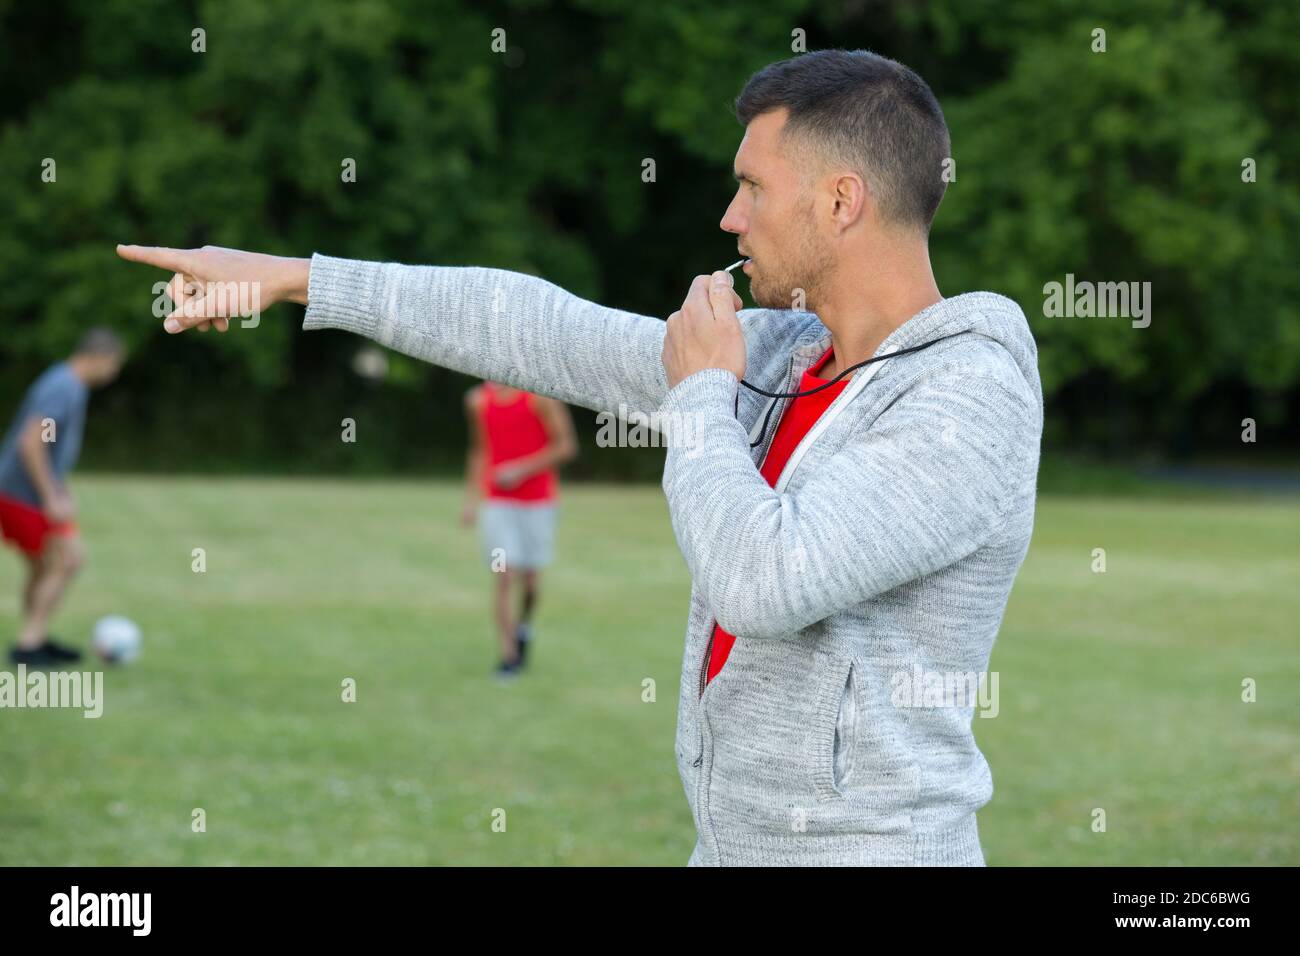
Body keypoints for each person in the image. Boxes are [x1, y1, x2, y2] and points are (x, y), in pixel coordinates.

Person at [116, 48, 1043, 866]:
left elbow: (765, 578)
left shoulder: (969, 396)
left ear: (842, 201)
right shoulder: (780, 356)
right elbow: (540, 329)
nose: (730, 218)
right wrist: (297, 279)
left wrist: (699, 398)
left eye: (753, 187)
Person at [0, 329, 126, 665]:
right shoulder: (64, 387)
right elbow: (31, 443)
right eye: (114, 364)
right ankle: (29, 644)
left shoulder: (67, 384)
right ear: (99, 357)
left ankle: (34, 639)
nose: (114, 374)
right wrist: (51, 496)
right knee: (67, 561)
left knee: (45, 567)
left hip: (21, 491)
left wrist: (58, 487)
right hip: (23, 494)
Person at [461, 381, 578, 679]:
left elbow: (566, 446)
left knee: (530, 583)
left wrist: (520, 470)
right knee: (503, 575)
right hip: (498, 504)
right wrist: (471, 501)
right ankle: (508, 656)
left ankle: (524, 625)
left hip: (537, 504)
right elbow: (479, 451)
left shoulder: (539, 396)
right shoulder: (477, 401)